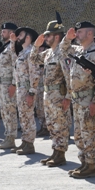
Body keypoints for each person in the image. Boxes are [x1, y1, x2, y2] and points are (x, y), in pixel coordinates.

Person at [58, 21, 95, 178]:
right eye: (76, 33)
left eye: (80, 32)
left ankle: (91, 165)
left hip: (88, 99)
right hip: (77, 99)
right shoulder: (79, 51)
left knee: (88, 133)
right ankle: (84, 163)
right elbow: (63, 49)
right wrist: (67, 38)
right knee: (79, 134)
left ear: (90, 34)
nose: (77, 35)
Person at [31, 16, 71, 167]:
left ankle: (61, 154)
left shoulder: (62, 52)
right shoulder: (48, 53)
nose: (45, 37)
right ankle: (55, 151)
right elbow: (34, 59)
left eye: (48, 35)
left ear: (57, 36)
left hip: (59, 95)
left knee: (60, 124)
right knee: (52, 125)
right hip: (48, 94)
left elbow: (68, 76)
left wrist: (68, 96)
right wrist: (36, 46)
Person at [14, 27, 39, 155]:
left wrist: (31, 92)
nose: (18, 37)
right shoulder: (22, 53)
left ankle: (30, 144)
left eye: (21, 35)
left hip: (27, 89)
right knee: (23, 117)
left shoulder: (30, 53)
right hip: (20, 89)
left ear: (28, 37)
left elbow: (34, 73)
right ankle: (25, 141)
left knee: (28, 117)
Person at [0, 22, 20, 150]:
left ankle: (11, 138)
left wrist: (14, 84)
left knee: (10, 112)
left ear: (11, 33)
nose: (1, 33)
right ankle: (7, 137)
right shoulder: (4, 48)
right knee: (4, 112)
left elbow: (16, 65)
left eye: (4, 31)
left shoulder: (14, 47)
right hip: (1, 85)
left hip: (8, 84)